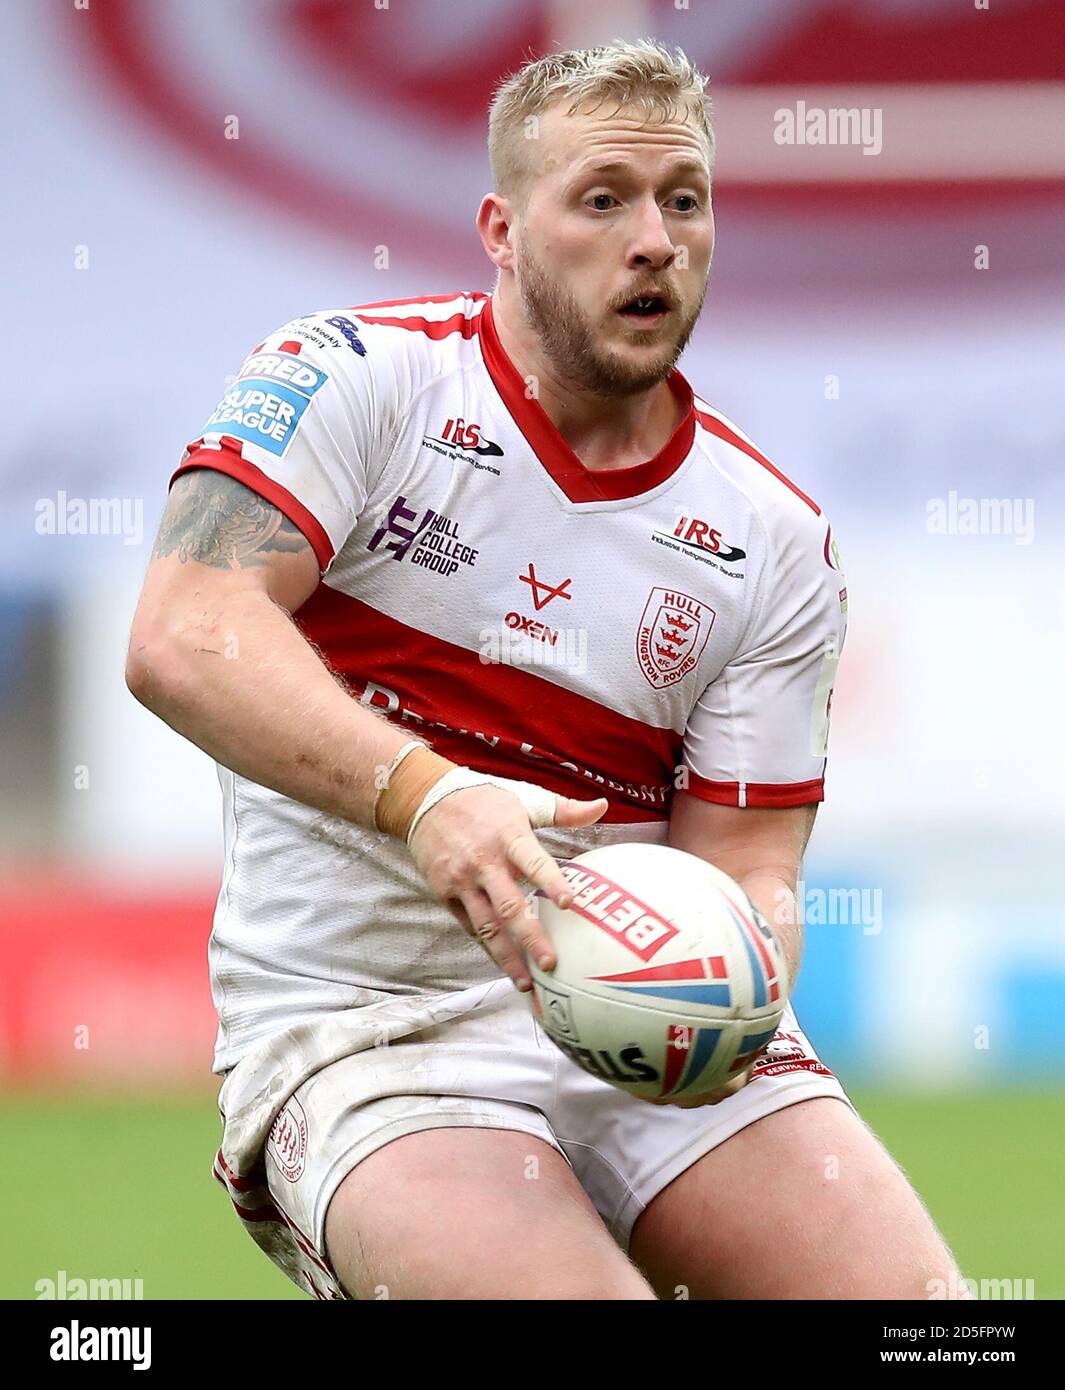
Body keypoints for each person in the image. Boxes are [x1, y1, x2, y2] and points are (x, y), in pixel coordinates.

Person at [127, 40, 964, 1300]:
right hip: (371, 1032)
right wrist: (427, 796)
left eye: (684, 200)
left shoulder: (774, 542)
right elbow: (183, 632)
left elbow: (748, 867)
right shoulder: (358, 379)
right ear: (502, 229)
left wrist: (732, 974)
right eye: (604, 198)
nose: (655, 240)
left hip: (644, 1026)